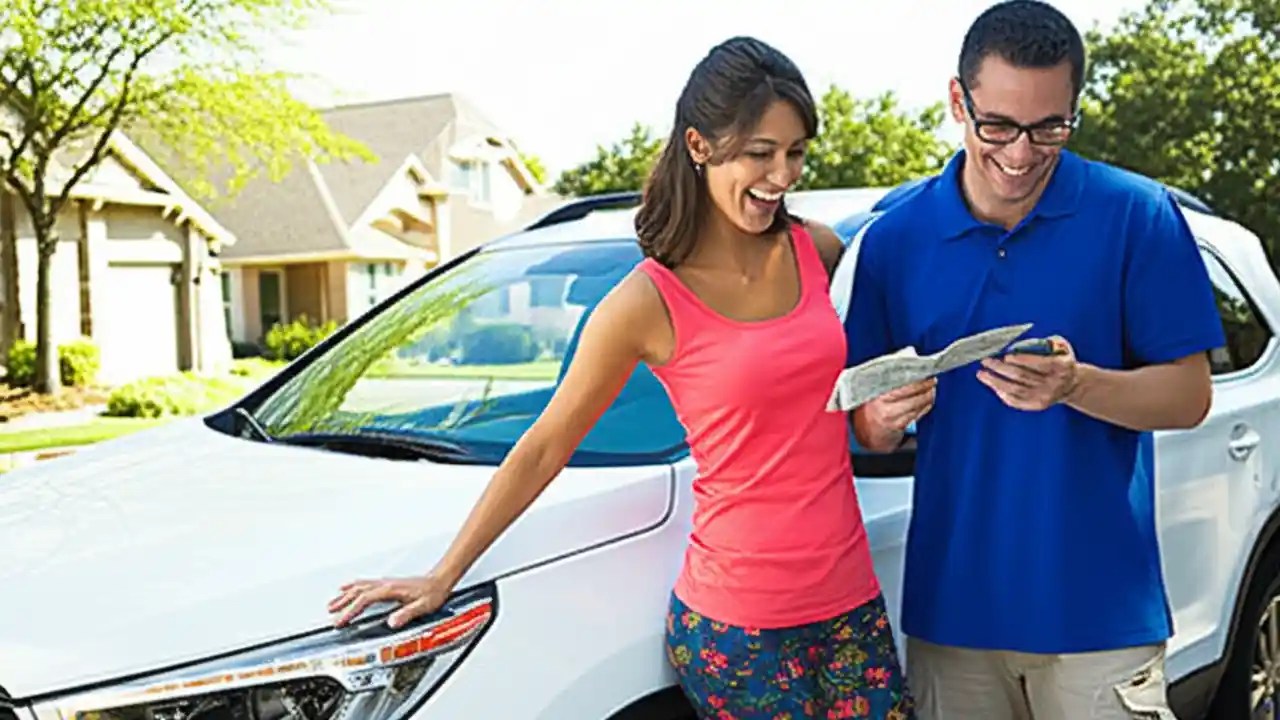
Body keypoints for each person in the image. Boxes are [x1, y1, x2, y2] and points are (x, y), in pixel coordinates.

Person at [328, 36, 916, 719]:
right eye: (760, 152)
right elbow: (547, 443)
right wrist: (443, 574)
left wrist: (883, 414)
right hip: (741, 627)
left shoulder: (816, 249)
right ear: (700, 144)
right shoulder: (647, 302)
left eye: (795, 153)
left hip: (850, 601)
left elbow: (835, 402)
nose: (782, 175)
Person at [844, 2, 1226, 719]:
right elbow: (867, 429)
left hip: (1099, 615)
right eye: (998, 126)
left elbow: (1189, 397)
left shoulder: (1138, 217)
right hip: (952, 615)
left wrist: (1077, 385)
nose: (1020, 154)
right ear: (958, 100)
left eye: (1049, 127)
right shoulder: (895, 240)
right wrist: (881, 416)